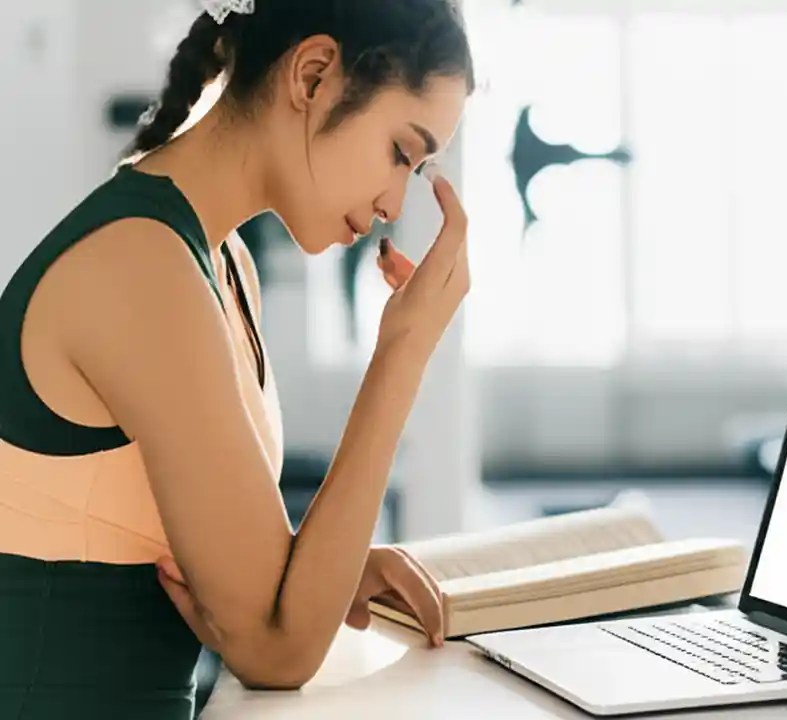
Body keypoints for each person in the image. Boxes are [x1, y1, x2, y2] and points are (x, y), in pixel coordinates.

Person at [0, 0, 473, 716]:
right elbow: (275, 651)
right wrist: (403, 351)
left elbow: (260, 591)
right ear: (312, 75)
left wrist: (326, 575)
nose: (392, 200)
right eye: (401, 152)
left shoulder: (223, 266)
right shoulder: (142, 265)